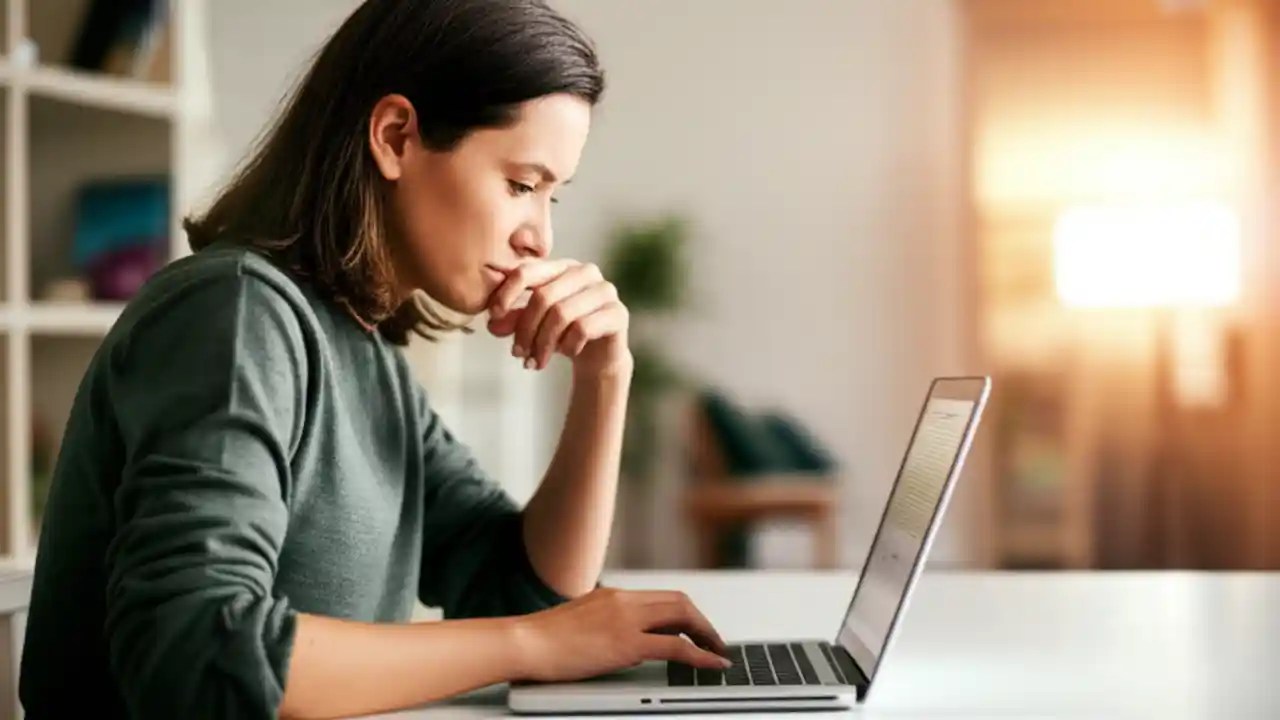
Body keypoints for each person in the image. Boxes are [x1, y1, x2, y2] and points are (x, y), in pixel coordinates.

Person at [18, 1, 732, 717]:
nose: (539, 238)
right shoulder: (237, 314)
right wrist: (530, 643)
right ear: (395, 137)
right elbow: (201, 655)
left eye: (552, 195)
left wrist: (606, 376)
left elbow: (528, 588)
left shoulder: (366, 351)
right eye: (520, 185)